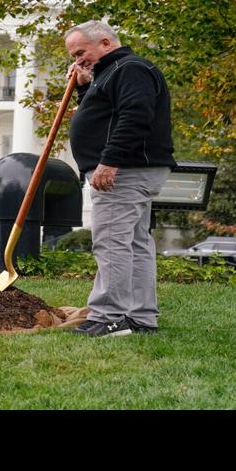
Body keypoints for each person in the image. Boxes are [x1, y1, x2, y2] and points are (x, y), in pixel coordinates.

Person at [63, 20, 176, 337]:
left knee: (112, 242)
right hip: (132, 169)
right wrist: (85, 87)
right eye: (74, 57)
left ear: (106, 43)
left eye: (82, 53)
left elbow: (135, 115)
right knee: (136, 243)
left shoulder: (130, 69)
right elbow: (105, 115)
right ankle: (141, 318)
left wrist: (110, 161)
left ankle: (109, 317)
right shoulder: (113, 73)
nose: (78, 61)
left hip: (123, 171)